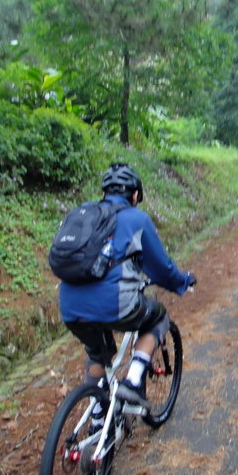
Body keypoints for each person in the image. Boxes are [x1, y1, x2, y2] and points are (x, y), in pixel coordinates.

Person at [58, 163, 196, 411]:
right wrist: (182, 282)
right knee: (157, 318)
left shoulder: (83, 215)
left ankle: (98, 419)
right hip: (115, 304)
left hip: (69, 306)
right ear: (135, 195)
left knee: (98, 353)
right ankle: (132, 382)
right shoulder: (136, 218)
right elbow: (161, 267)